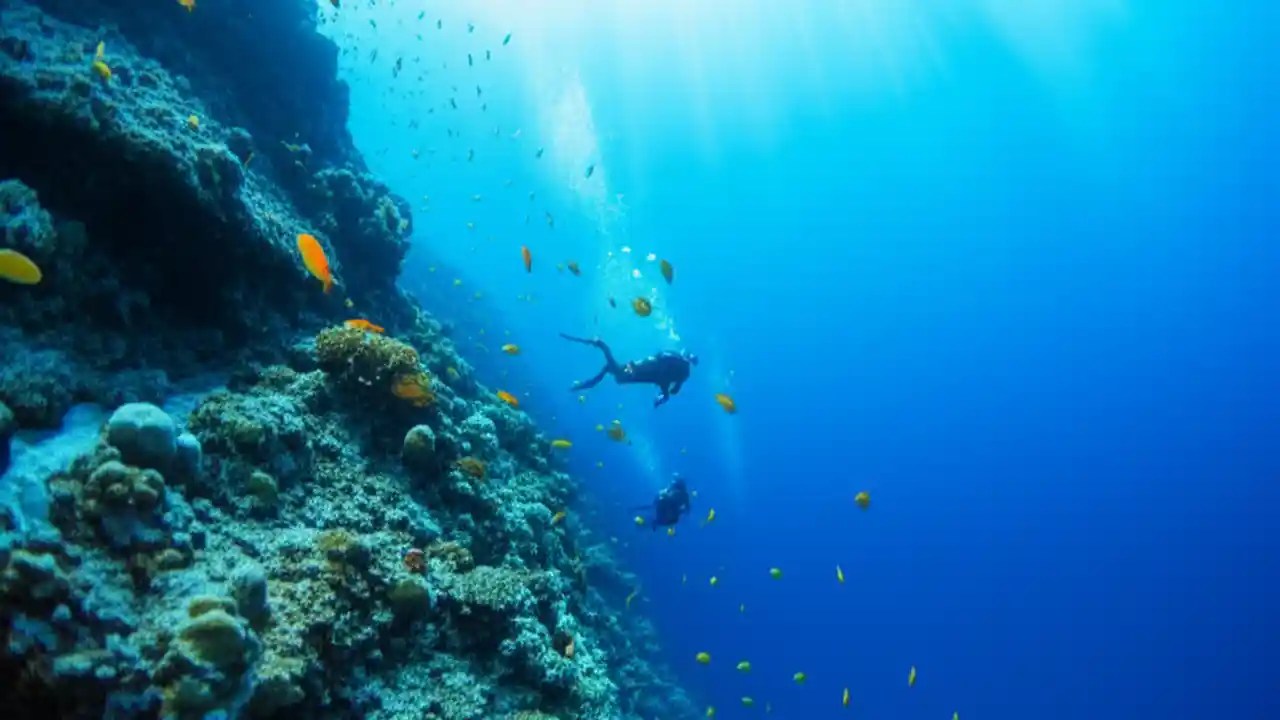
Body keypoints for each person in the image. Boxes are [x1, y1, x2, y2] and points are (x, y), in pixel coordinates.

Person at [560, 333, 697, 407]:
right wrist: (663, 396)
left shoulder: (677, 364)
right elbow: (673, 389)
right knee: (615, 371)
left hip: (645, 371)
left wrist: (664, 394)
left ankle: (600, 346)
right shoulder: (682, 373)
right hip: (646, 374)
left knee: (614, 370)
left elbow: (659, 360)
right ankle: (601, 346)